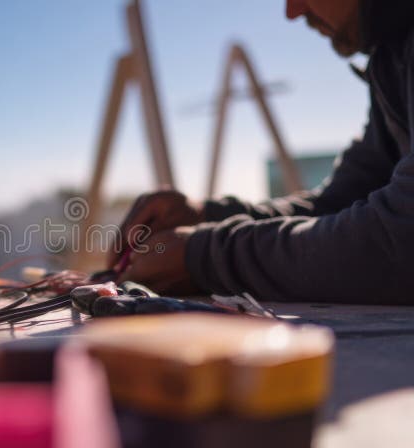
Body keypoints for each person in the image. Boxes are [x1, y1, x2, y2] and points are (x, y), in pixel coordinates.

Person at [108, 0, 414, 304]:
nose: (292, 12)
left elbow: (401, 240)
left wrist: (206, 258)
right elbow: (336, 203)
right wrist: (204, 215)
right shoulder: (391, 55)